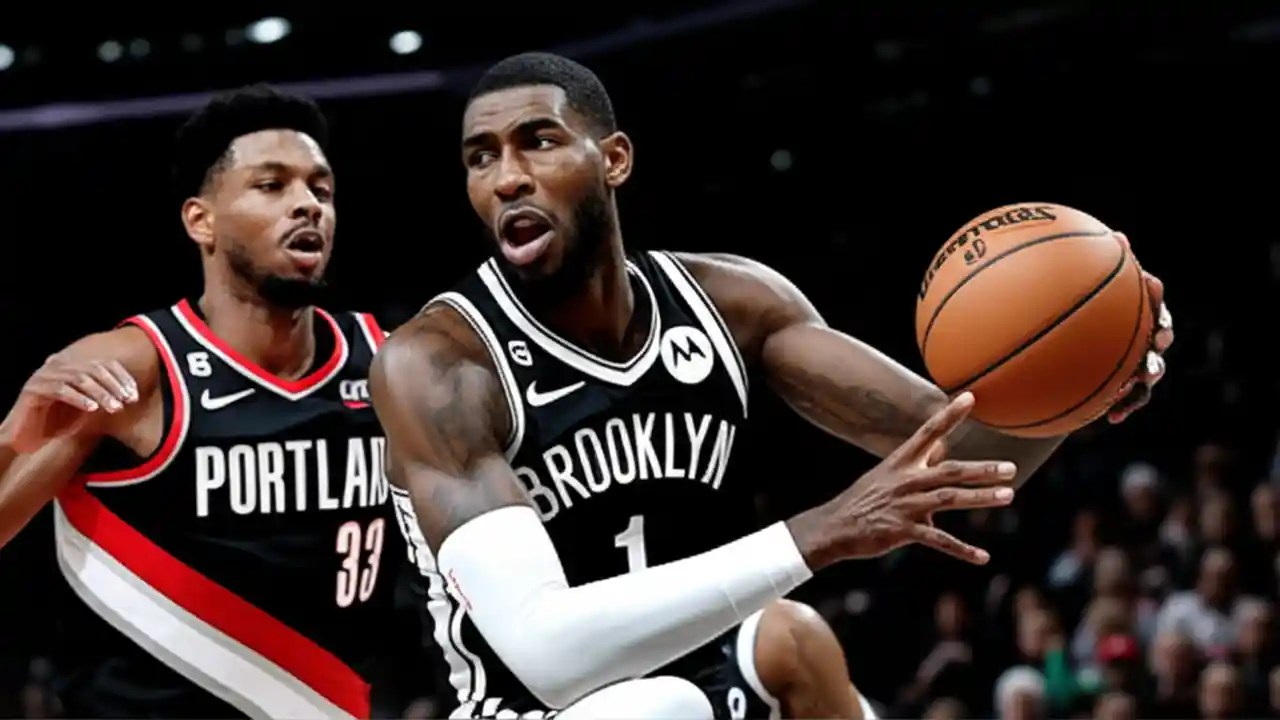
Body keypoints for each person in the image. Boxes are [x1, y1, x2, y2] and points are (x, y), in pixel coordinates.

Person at [372, 52, 1174, 719]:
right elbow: (547, 655)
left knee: (789, 638)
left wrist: (1078, 386)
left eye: (537, 143)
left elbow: (955, 453)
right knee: (658, 711)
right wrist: (819, 533)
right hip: (537, 708)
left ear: (613, 159)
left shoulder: (732, 304)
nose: (507, 178)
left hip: (698, 677)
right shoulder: (438, 365)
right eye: (483, 158)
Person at [0, 85, 406, 719]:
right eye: (271, 186)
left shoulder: (389, 365)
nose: (307, 205)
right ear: (201, 221)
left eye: (320, 190)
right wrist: (7, 436)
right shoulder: (132, 369)